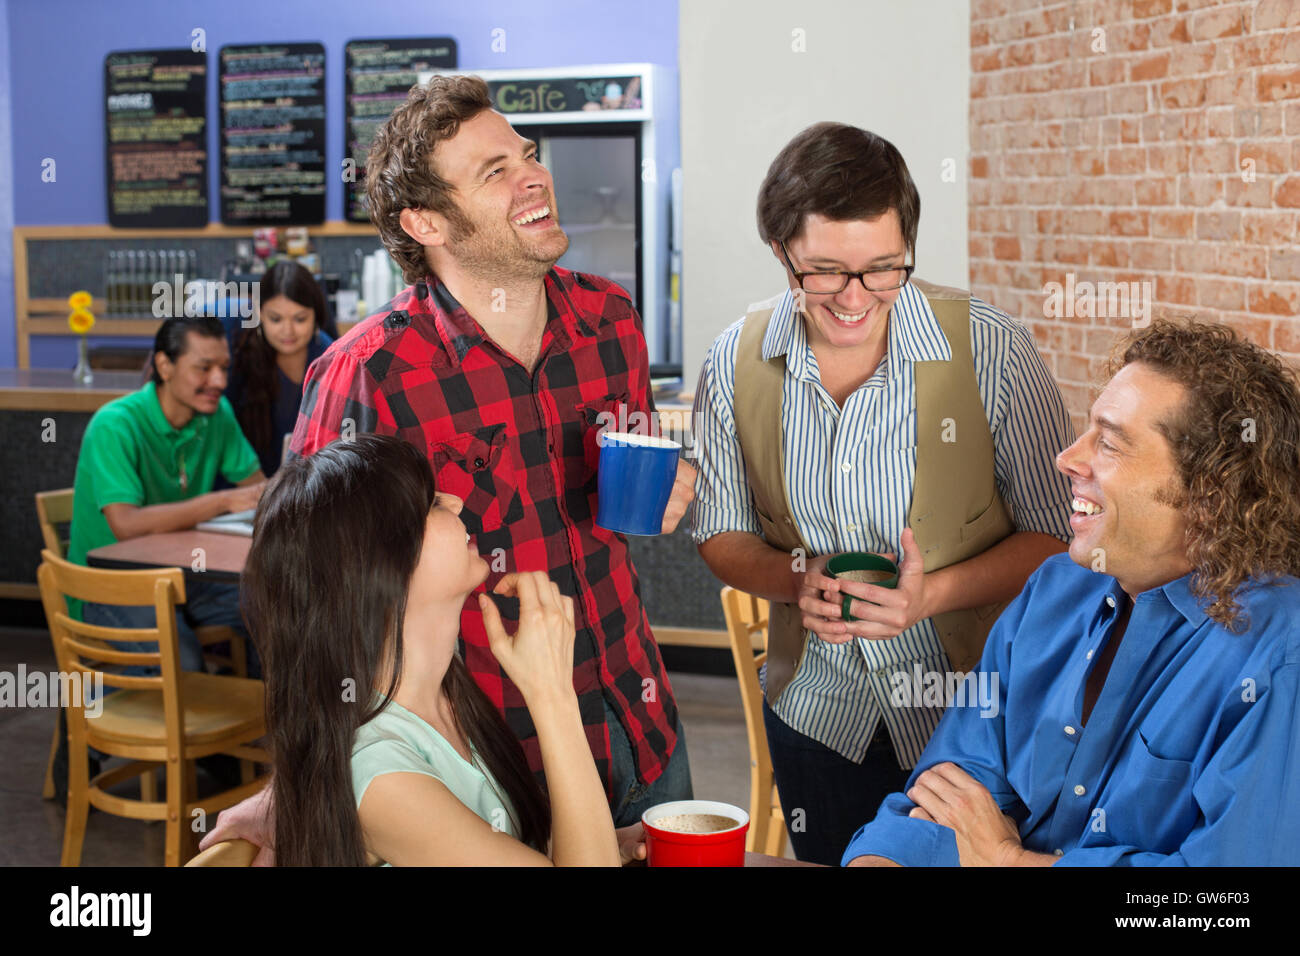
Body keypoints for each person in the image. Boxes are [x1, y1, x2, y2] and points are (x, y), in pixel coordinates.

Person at [201, 74, 695, 860]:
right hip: (487, 770)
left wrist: (674, 489)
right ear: (425, 220)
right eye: (495, 170)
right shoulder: (367, 372)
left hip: (641, 722)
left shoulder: (613, 323)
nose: (534, 174)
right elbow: (307, 590)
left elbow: (622, 501)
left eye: (526, 155)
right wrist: (297, 780)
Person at [691, 122, 1076, 865]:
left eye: (883, 268)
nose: (855, 297)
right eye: (825, 270)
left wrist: (931, 595)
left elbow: (1059, 543)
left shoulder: (991, 349)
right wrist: (794, 578)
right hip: (818, 716)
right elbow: (721, 534)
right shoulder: (734, 361)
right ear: (782, 252)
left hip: (974, 722)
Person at [845, 320, 1300, 866]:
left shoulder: (1278, 658)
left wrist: (1009, 861)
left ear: (1209, 494)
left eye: (1108, 443)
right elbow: (946, 796)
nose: (1067, 458)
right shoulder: (1054, 589)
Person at [244, 434, 645, 865]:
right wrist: (553, 695)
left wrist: (605, 843)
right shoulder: (382, 777)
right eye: (432, 504)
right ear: (379, 569)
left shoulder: (444, 696)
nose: (455, 502)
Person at [68, 315, 266, 670]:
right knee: (184, 663)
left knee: (280, 616)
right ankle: (107, 713)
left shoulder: (216, 414)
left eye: (223, 367)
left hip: (185, 577)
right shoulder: (114, 425)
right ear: (164, 365)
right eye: (204, 368)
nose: (219, 381)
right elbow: (125, 525)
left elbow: (257, 492)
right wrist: (220, 502)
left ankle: (269, 722)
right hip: (109, 587)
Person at [226, 260, 336, 478]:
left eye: (300, 319)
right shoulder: (238, 353)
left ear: (317, 315)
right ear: (260, 315)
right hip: (242, 486)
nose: (288, 331)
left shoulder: (329, 357)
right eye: (275, 319)